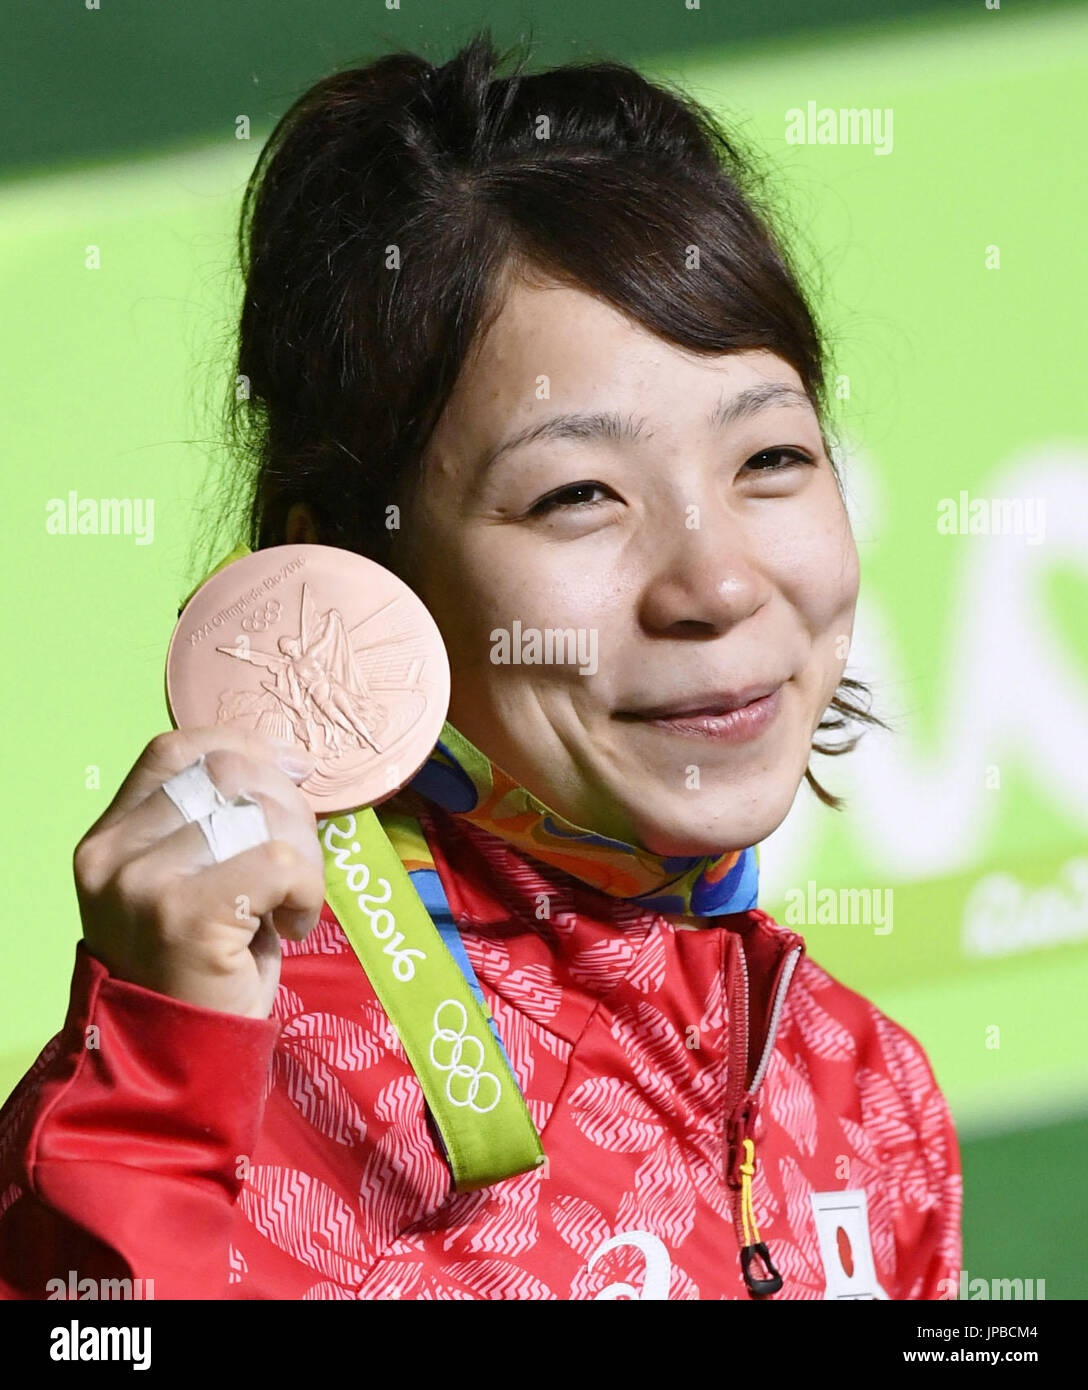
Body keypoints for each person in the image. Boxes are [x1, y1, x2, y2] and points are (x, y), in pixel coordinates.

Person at [0, 30, 961, 1301]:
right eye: (574, 495)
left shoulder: (861, 1083)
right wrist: (154, 1104)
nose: (719, 583)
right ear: (349, 570)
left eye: (770, 458)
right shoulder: (229, 1088)